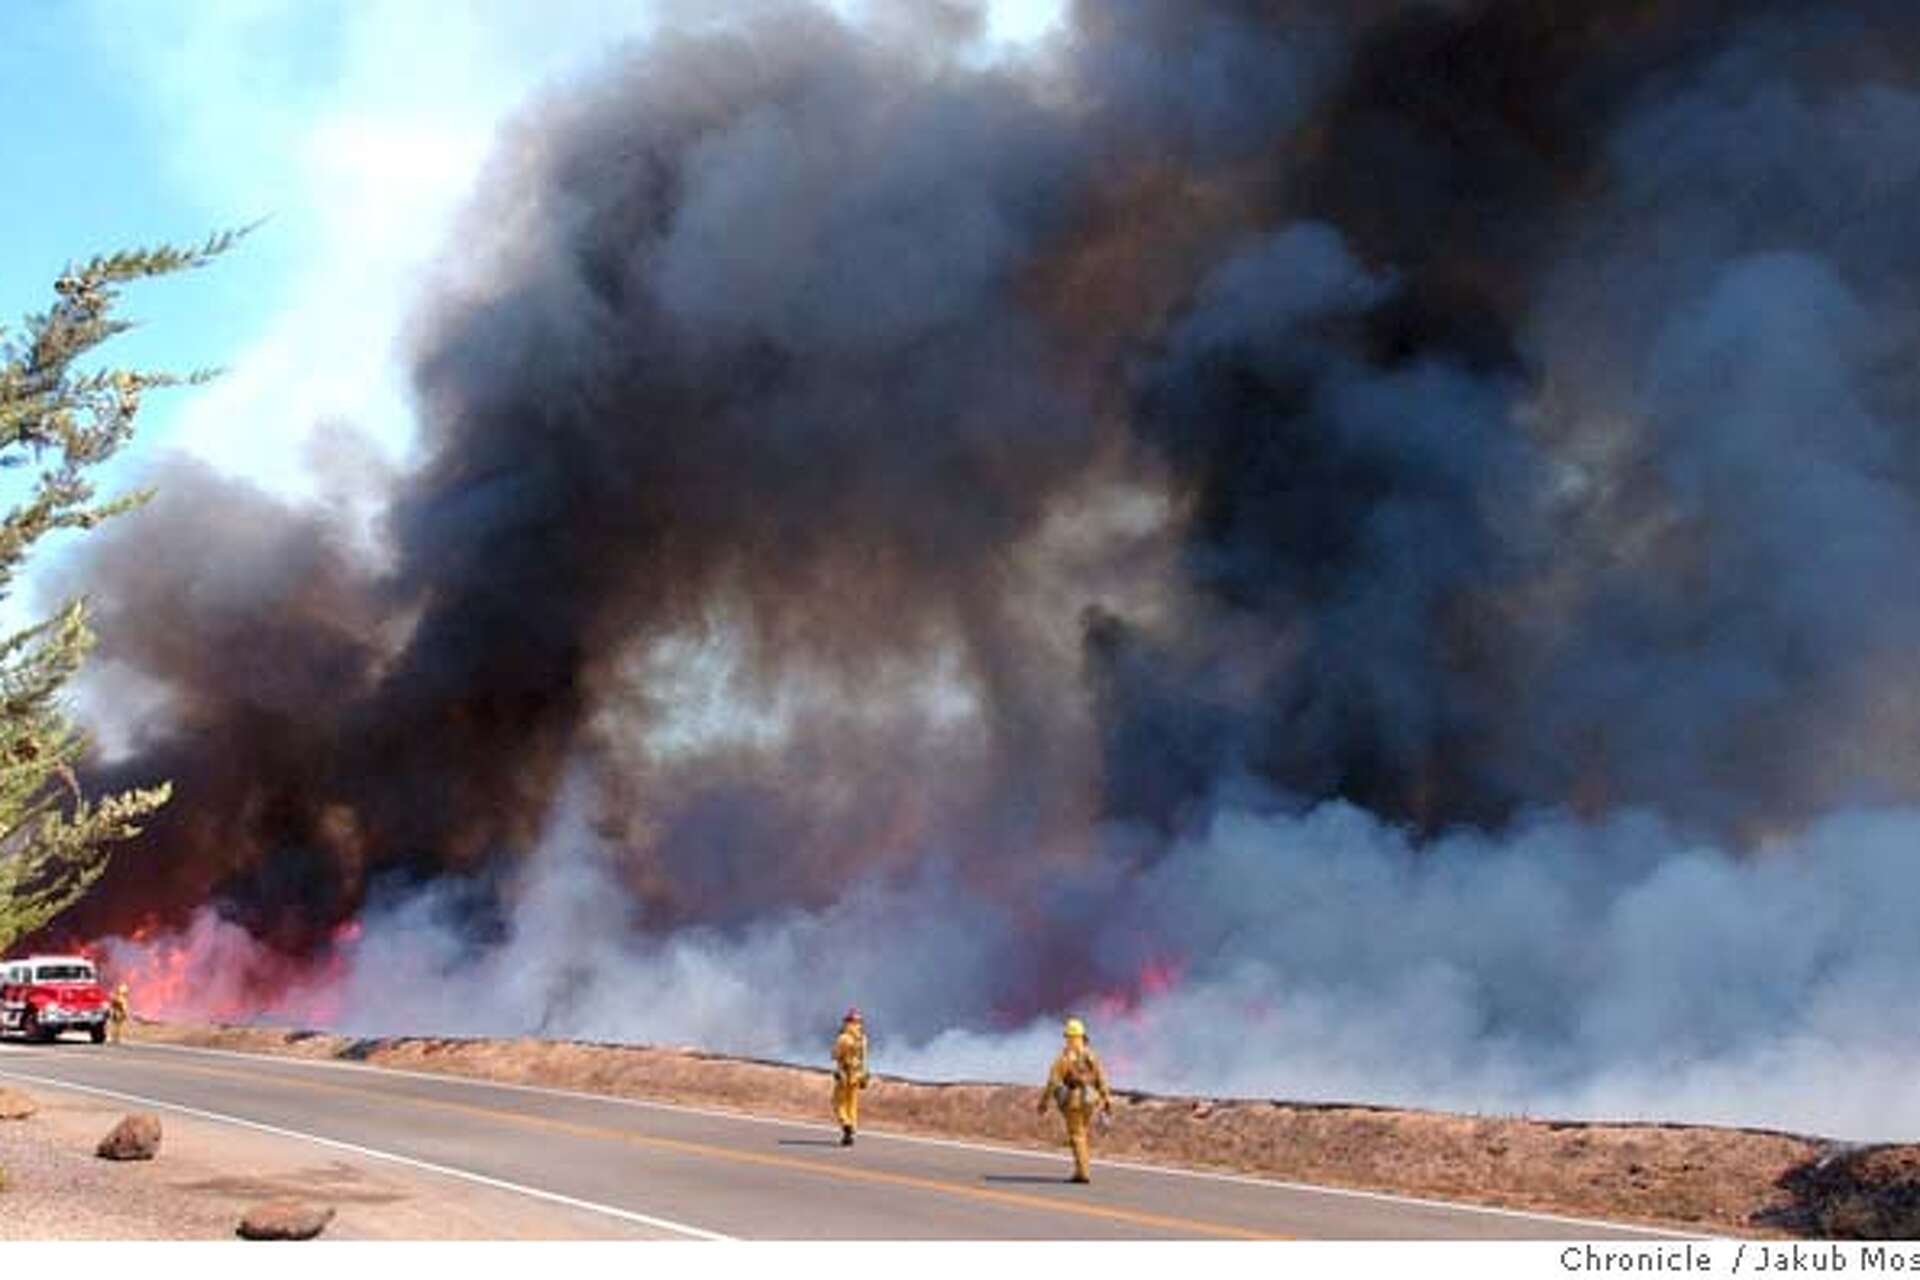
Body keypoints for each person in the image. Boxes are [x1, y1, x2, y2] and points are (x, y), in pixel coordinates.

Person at [1037, 1016, 1112, 1184]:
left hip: (1074, 1102)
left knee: (1077, 1136)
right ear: (1082, 1036)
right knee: (1082, 1134)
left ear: (1069, 1037)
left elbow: (1052, 1082)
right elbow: (1101, 1079)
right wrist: (1107, 1100)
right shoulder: (1091, 1056)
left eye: (1067, 1037)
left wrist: (1044, 1103)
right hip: (1091, 1101)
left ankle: (1082, 1173)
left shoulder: (1064, 1058)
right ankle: (1080, 1169)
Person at [831, 1007, 870, 1146]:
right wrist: (864, 1075)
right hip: (857, 1075)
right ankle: (851, 1130)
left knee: (838, 1103)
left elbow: (835, 1055)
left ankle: (846, 1124)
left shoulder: (843, 1038)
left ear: (847, 1021)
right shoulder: (863, 1039)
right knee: (852, 1104)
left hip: (844, 1074)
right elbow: (864, 1059)